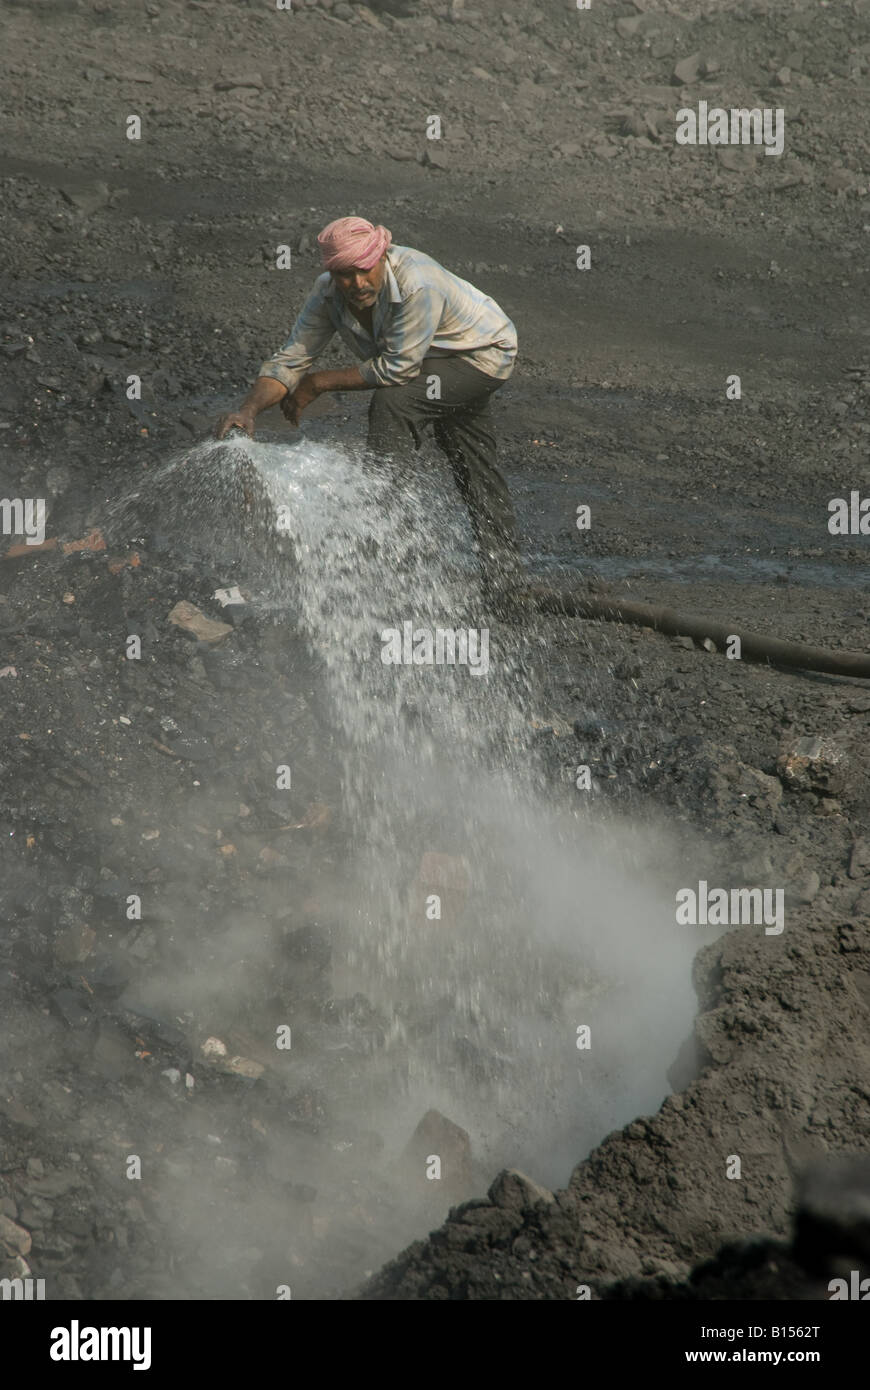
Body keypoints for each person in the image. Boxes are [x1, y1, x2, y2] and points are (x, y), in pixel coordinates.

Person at [216, 216, 528, 608]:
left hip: (483, 354)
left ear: (381, 257)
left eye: (364, 271)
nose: (357, 285)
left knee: (394, 403)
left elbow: (396, 370)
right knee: (472, 462)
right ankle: (507, 589)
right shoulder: (327, 293)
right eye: (345, 275)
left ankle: (383, 530)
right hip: (432, 361)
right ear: (332, 273)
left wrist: (317, 383)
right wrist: (249, 411)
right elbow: (291, 360)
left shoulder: (418, 282)